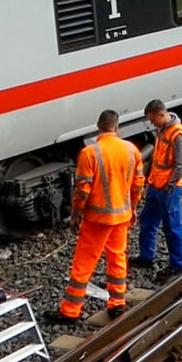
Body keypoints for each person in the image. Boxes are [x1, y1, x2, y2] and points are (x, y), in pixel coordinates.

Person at [48, 110, 144, 324]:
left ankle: (71, 310)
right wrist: (134, 208)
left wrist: (75, 214)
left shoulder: (90, 153)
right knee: (117, 258)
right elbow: (138, 185)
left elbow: (82, 190)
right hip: (121, 217)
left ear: (98, 127)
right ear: (116, 128)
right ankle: (117, 303)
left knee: (84, 263)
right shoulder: (131, 150)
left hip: (96, 220)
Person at [131, 100, 182, 281]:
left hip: (168, 190)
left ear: (161, 115)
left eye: (152, 119)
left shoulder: (177, 134)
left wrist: (169, 185)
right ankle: (146, 257)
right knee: (147, 222)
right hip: (156, 186)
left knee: (172, 226)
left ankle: (177, 265)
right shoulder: (162, 130)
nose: (151, 123)